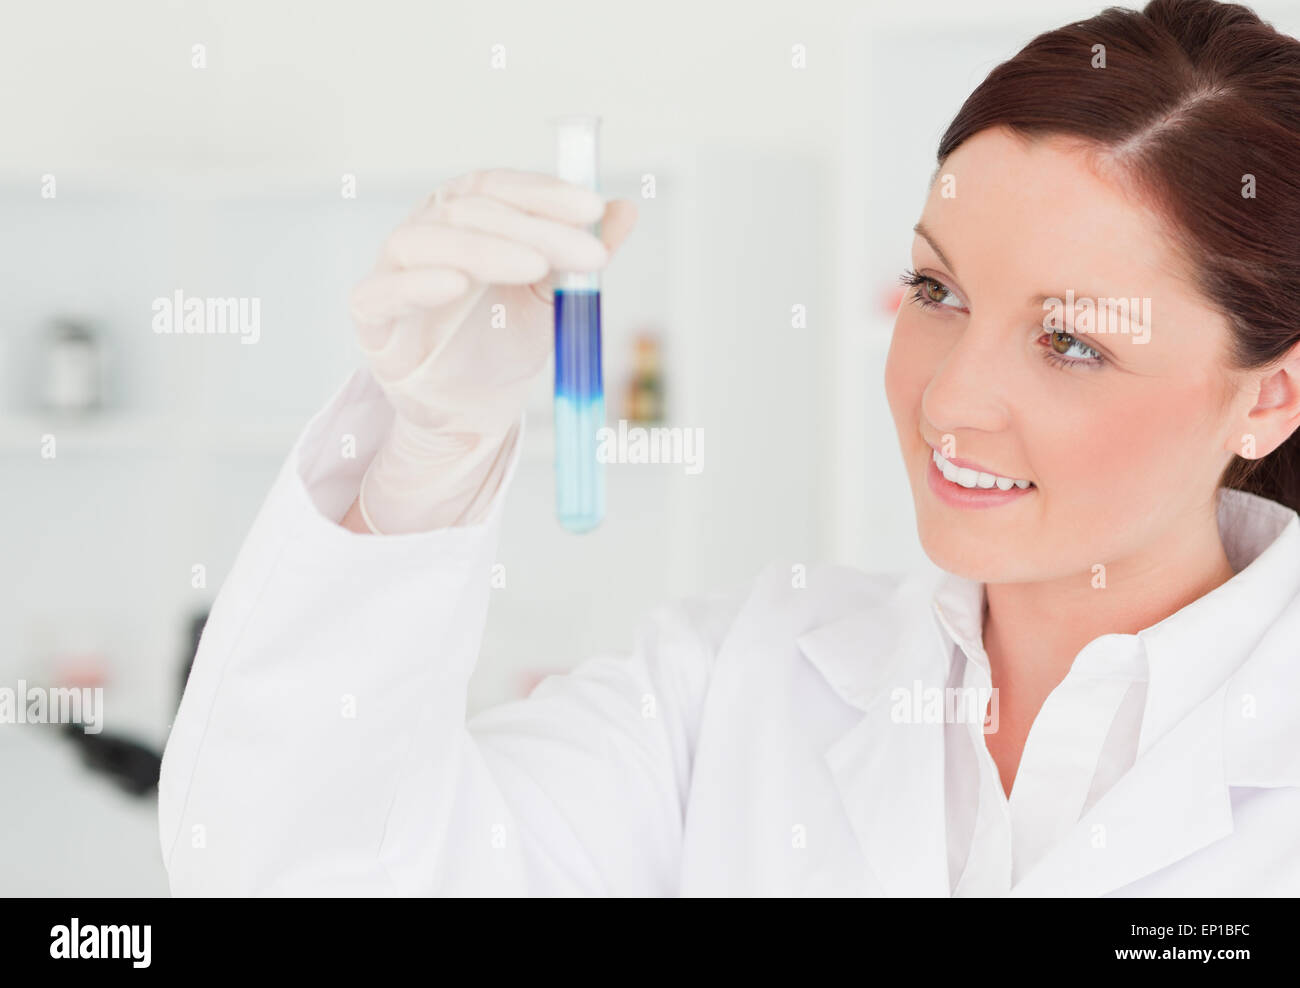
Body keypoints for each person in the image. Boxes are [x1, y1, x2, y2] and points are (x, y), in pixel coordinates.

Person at [158, 0, 1300, 895]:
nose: (950, 397)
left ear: (1270, 395)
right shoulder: (740, 688)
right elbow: (300, 877)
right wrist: (429, 453)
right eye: (937, 288)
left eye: (1069, 342)